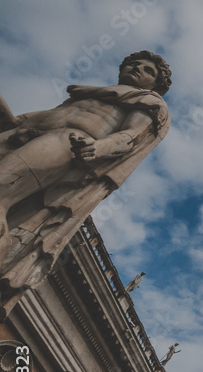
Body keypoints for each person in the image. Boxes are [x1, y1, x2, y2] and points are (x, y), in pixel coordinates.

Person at [0, 51, 171, 318]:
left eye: (148, 70)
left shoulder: (149, 103)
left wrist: (99, 147)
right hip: (25, 133)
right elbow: (18, 120)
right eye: (133, 63)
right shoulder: (87, 95)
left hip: (68, 143)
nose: (137, 68)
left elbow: (130, 136)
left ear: (156, 83)